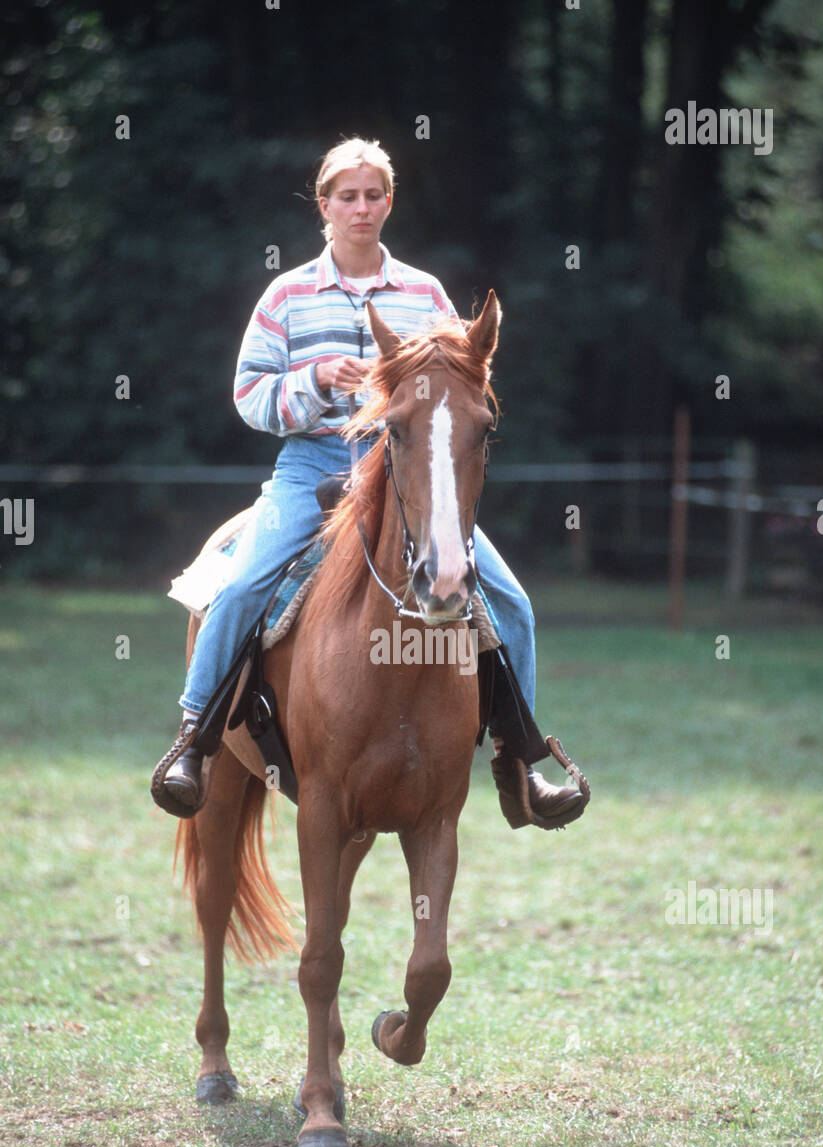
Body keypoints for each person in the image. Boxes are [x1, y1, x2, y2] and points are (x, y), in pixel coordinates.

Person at [151, 138, 584, 829]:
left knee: (514, 605)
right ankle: (193, 741)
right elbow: (249, 397)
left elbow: (459, 387)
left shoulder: (426, 294)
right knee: (240, 585)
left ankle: (519, 764)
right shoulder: (286, 294)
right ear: (324, 206)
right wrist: (315, 380)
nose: (361, 207)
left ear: (389, 202)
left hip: (406, 477)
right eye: (347, 196)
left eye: (373, 194)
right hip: (312, 467)